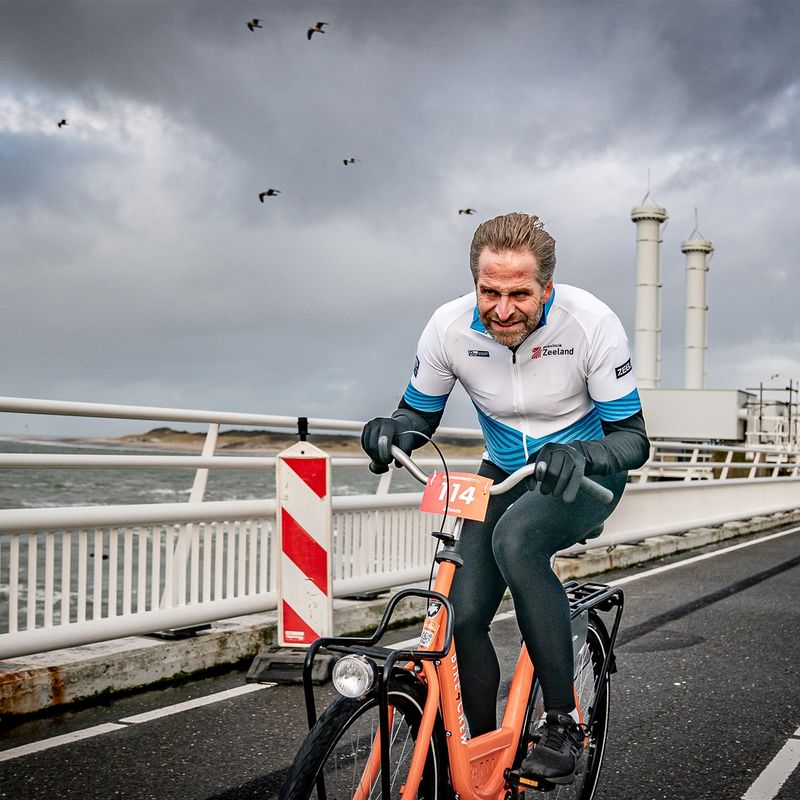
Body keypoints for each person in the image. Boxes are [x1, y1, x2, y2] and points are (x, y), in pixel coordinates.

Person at [361, 212, 650, 785]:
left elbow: (633, 439)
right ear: (475, 283)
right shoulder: (448, 328)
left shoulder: (590, 323)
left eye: (520, 294)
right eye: (489, 291)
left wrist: (585, 453)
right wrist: (394, 429)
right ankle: (480, 762)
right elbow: (419, 412)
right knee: (460, 615)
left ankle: (563, 722)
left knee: (516, 541)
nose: (502, 309)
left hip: (581, 474)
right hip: (503, 471)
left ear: (547, 287)